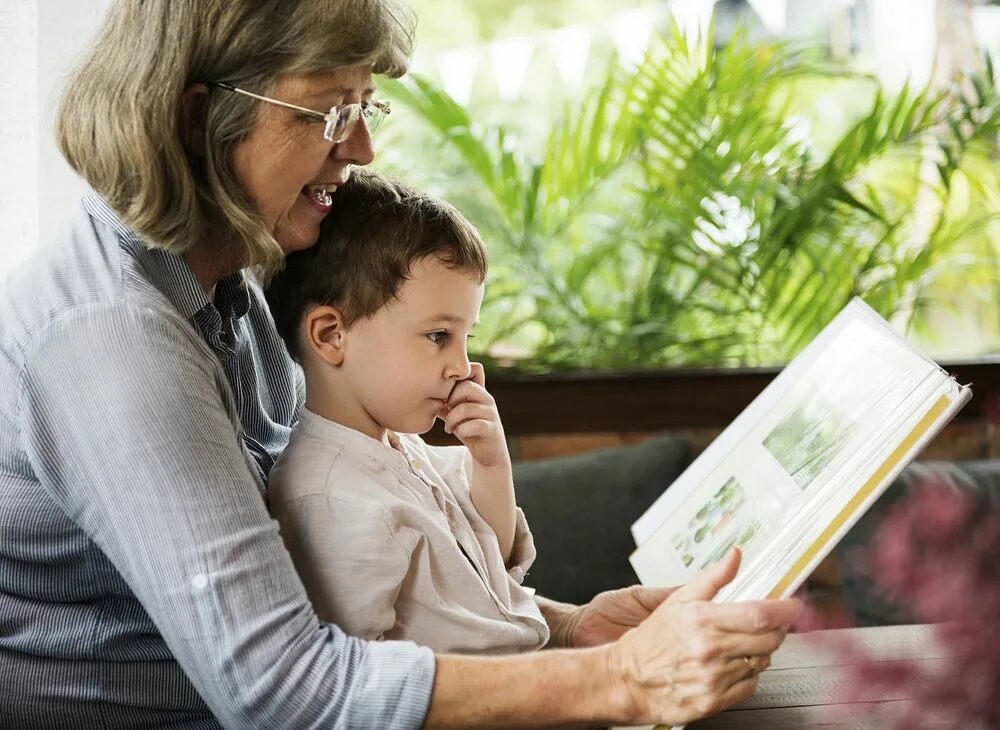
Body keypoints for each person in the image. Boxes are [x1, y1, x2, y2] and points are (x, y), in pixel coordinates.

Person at [0, 1, 801, 727]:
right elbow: (284, 691)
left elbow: (320, 608)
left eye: (362, 107)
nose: (361, 146)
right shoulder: (114, 343)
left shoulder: (230, 287)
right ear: (197, 116)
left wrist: (567, 627)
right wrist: (618, 678)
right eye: (327, 112)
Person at [265, 171, 549, 654]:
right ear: (332, 335)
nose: (461, 366)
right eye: (438, 336)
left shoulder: (401, 448)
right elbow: (356, 683)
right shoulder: (331, 498)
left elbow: (493, 562)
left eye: (466, 338)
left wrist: (490, 464)